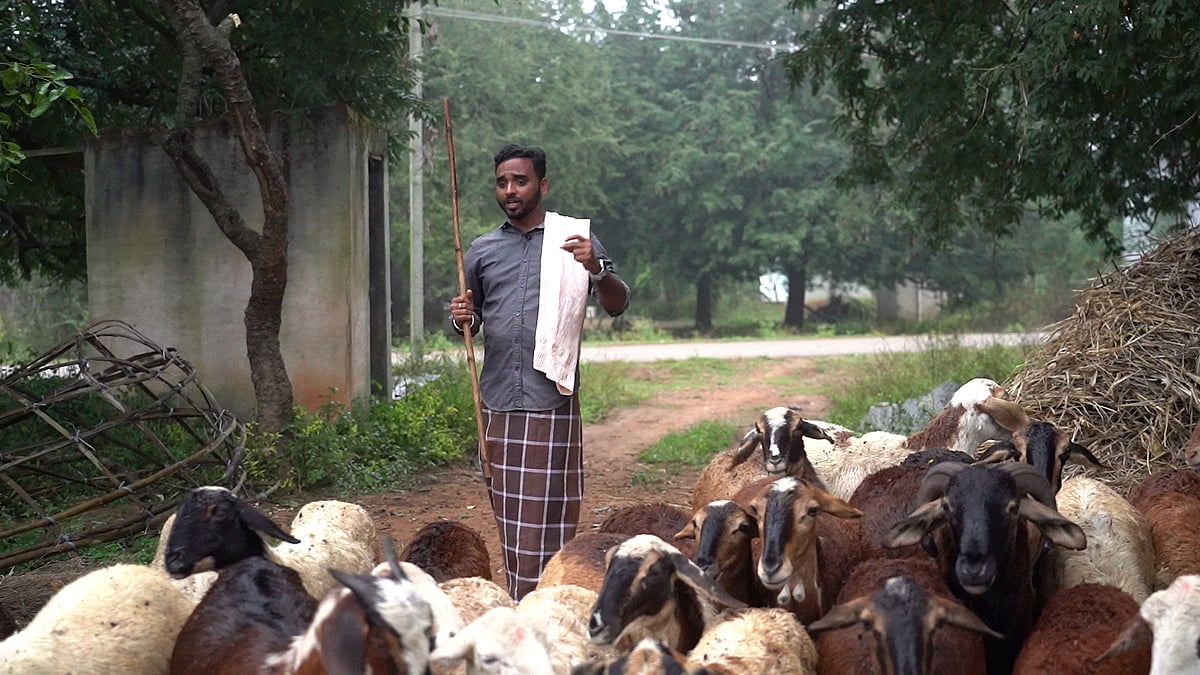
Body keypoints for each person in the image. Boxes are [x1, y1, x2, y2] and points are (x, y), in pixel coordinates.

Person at [448, 144, 630, 599]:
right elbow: (467, 323)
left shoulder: (576, 242)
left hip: (551, 397)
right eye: (502, 182)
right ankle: (523, 600)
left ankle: (551, 599)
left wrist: (597, 267)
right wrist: (460, 317)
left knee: (550, 513)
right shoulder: (482, 249)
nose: (510, 190)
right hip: (497, 402)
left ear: (542, 185)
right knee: (511, 518)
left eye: (520, 181)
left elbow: (617, 303)